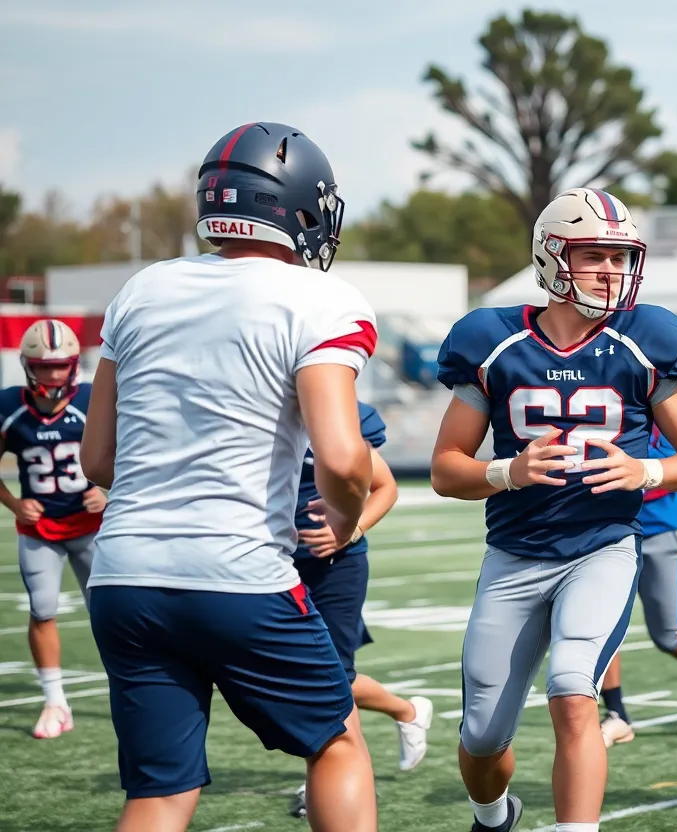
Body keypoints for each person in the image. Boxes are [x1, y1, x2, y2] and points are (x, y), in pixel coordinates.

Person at [80, 122, 380, 832]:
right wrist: (346, 515)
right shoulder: (320, 298)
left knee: (160, 791)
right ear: (298, 204)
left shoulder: (143, 288)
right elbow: (340, 457)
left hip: (123, 574)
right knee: (337, 744)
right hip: (236, 571)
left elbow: (98, 462)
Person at [430, 187, 677, 832]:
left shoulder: (648, 338)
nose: (611, 273)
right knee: (481, 734)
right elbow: (446, 468)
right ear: (551, 255)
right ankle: (493, 814)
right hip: (513, 555)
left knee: (572, 688)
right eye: (595, 255)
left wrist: (646, 470)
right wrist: (508, 471)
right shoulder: (493, 338)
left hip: (602, 547)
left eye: (621, 259)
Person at [288, 400, 433, 819]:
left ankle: (329, 772)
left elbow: (384, 486)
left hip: (335, 564)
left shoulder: (338, 415)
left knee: (329, 676)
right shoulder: (254, 407)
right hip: (271, 559)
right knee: (298, 673)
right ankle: (406, 711)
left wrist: (350, 530)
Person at [0, 320, 107, 739]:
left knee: (111, 611)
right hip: (40, 529)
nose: (53, 376)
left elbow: (131, 454)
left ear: (73, 365)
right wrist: (13, 501)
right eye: (43, 368)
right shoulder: (11, 406)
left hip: (91, 527)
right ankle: (56, 702)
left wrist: (107, 492)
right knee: (43, 608)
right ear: (27, 367)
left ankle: (133, 687)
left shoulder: (93, 400)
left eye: (60, 366)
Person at [598, 425, 677, 748]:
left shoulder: (665, 399)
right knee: (601, 624)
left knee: (667, 634)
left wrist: (628, 470)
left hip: (659, 525)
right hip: (605, 528)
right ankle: (616, 714)